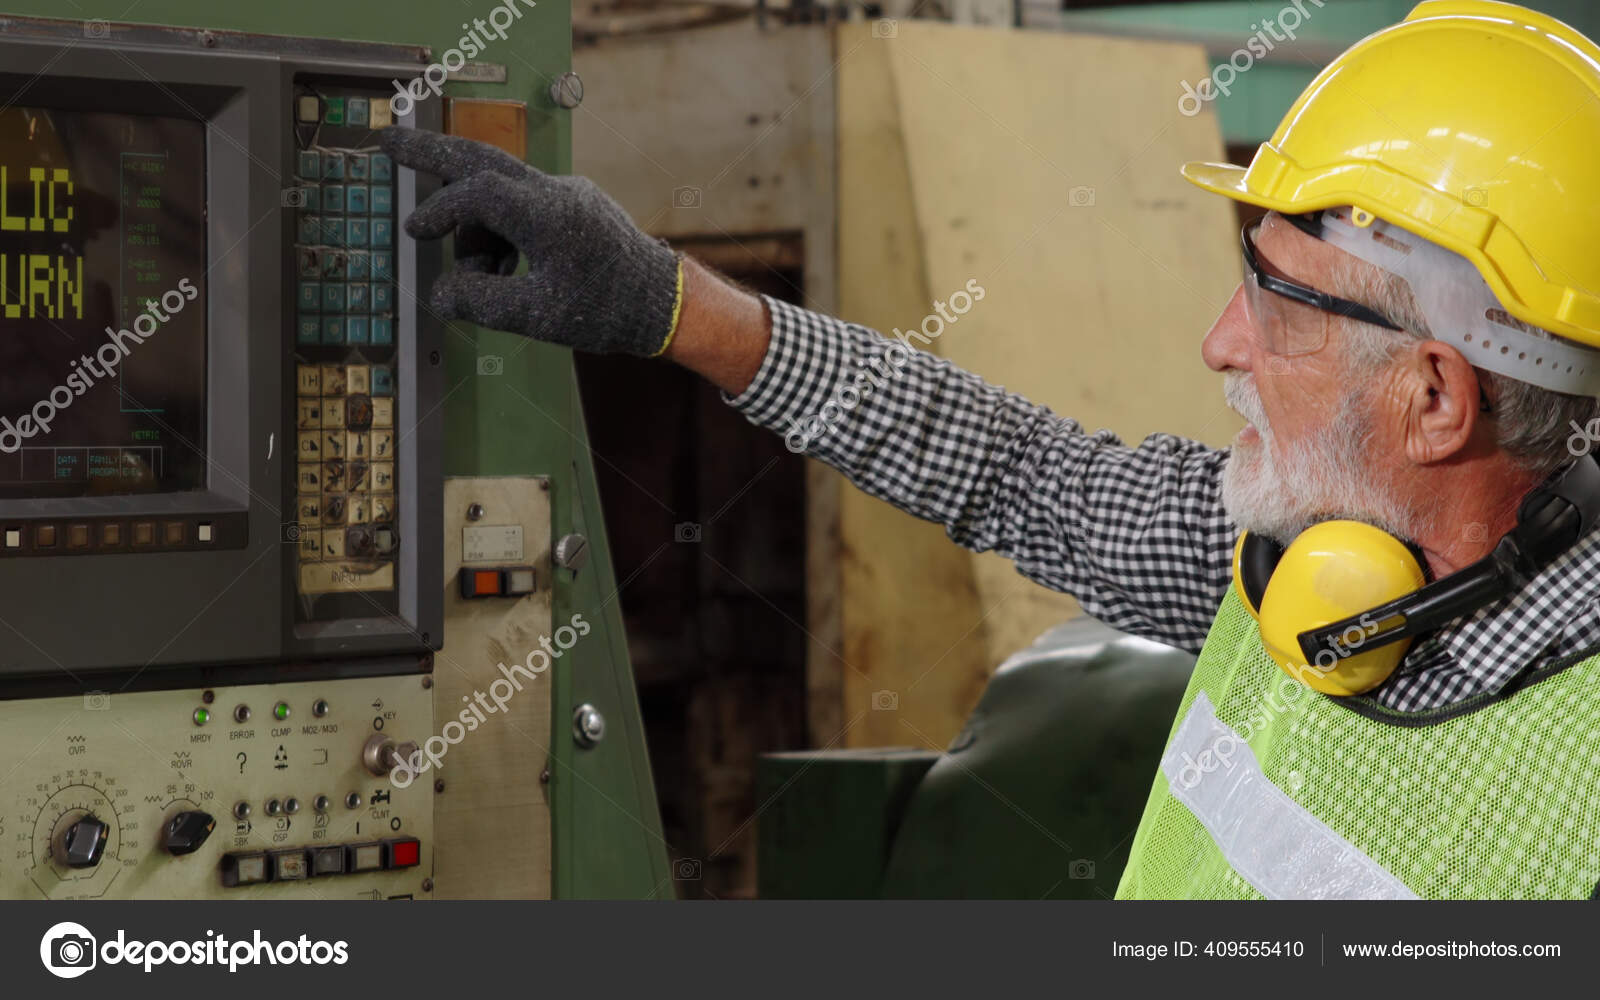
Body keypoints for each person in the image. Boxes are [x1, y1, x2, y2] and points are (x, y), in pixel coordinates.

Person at [381, 0, 1600, 898]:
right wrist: (669, 305)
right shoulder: (1280, 570)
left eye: (1279, 312)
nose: (1220, 344)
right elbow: (1008, 467)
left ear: (1433, 399)